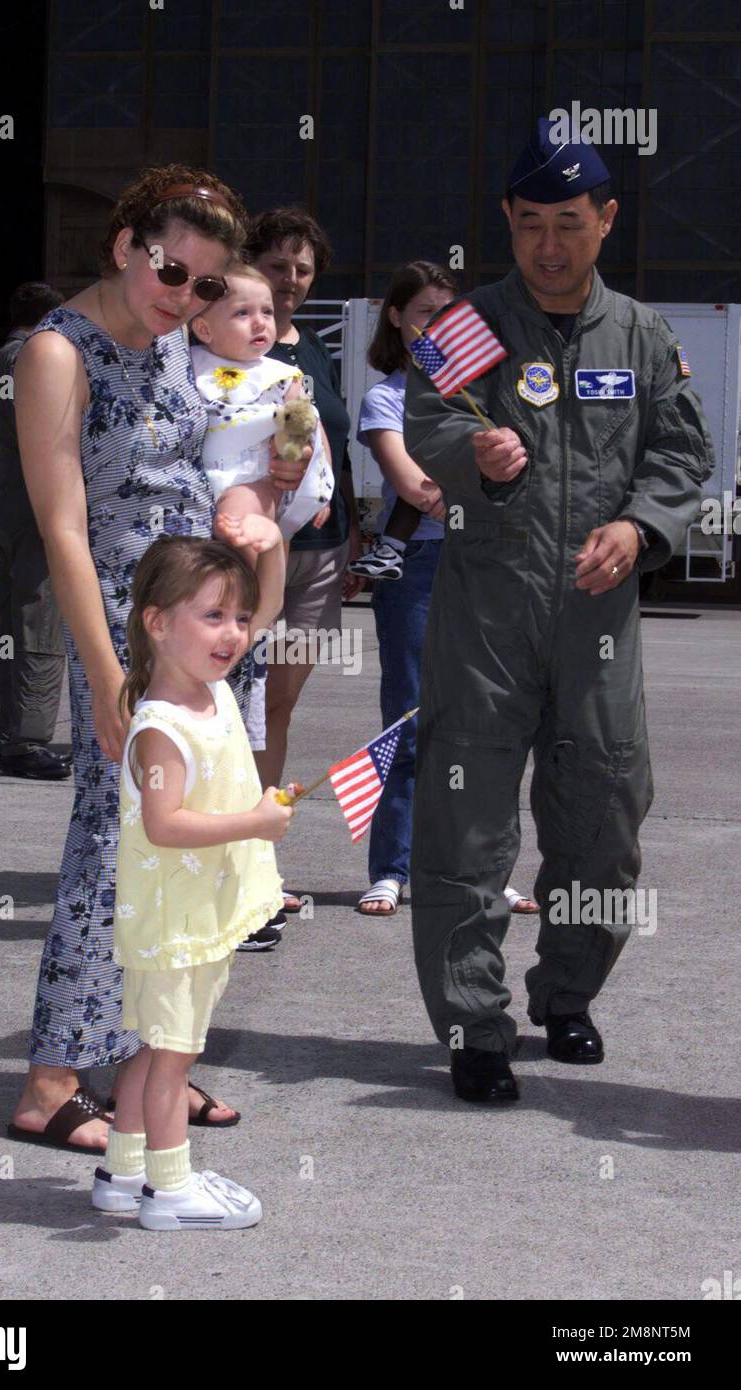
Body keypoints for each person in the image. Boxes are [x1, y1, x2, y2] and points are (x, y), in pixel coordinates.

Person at [405, 120, 714, 1103]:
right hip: (484, 621)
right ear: (506, 218)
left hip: (596, 621)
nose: (547, 242)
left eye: (567, 222)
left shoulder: (642, 334)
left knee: (603, 820)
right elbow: (429, 418)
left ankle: (567, 995)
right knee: (464, 828)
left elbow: (679, 453)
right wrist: (474, 454)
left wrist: (638, 526)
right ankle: (473, 1025)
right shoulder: (463, 325)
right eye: (529, 221)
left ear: (604, 221)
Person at [9, 165, 310, 1154]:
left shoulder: (174, 346)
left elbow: (194, 472)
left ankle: (152, 1065)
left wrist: (266, 488)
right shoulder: (61, 351)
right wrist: (105, 675)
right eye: (173, 271)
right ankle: (53, 1079)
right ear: (122, 244)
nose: (187, 297)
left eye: (210, 286)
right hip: (129, 643)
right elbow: (62, 531)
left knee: (177, 859)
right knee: (109, 850)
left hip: (195, 637)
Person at [91, 535, 292, 1229]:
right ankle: (170, 1192)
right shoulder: (161, 728)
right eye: (214, 616)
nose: (234, 633)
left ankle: (121, 1174)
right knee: (174, 1057)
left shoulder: (212, 693)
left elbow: (271, 602)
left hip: (192, 912)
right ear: (155, 621)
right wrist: (254, 822)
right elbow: (164, 824)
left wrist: (274, 539)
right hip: (175, 921)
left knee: (155, 1047)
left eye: (239, 618)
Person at [354, 263, 539, 920]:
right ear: (398, 319)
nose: (437, 323)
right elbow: (415, 487)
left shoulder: (489, 391)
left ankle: (486, 871)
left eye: (448, 312)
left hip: (492, 570)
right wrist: (478, 488)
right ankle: (392, 869)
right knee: (409, 723)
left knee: (489, 729)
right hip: (423, 577)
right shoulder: (388, 397)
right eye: (424, 311)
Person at [242, 208, 365, 927]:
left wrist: (354, 537)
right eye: (278, 265)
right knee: (234, 705)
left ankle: (260, 854)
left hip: (321, 555)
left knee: (276, 706)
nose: (289, 280)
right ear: (249, 261)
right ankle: (225, 854)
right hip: (252, 554)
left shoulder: (312, 347)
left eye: (302, 270)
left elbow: (333, 449)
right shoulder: (224, 340)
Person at [0, 280, 71, 780]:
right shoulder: (37, 358)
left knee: (9, 625)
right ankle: (28, 739)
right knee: (39, 621)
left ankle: (12, 732)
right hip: (36, 506)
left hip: (3, 504)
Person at [190, 264, 333, 551]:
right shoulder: (188, 363)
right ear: (204, 329)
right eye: (243, 313)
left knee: (242, 522)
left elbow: (310, 425)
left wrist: (319, 486)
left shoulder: (283, 374)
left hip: (256, 477)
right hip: (197, 478)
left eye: (266, 312)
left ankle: (250, 580)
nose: (260, 322)